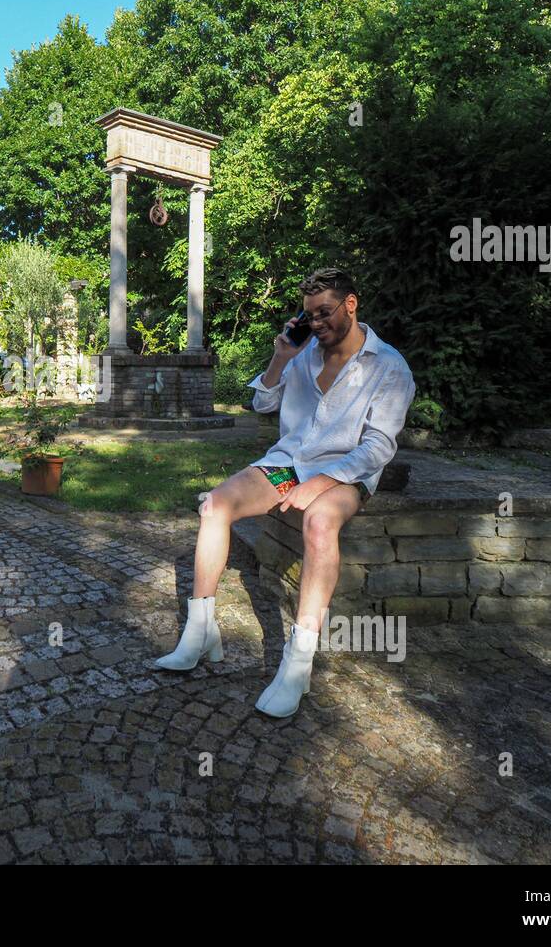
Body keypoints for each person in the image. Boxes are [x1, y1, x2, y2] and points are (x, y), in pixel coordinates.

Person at [154, 267, 415, 717]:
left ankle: (298, 662)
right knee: (215, 504)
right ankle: (200, 631)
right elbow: (262, 403)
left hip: (344, 473)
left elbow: (378, 446)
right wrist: (280, 355)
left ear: (350, 305)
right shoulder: (303, 352)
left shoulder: (388, 366)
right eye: (309, 315)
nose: (317, 324)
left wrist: (321, 482)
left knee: (318, 522)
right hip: (287, 466)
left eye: (325, 313)